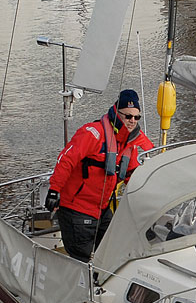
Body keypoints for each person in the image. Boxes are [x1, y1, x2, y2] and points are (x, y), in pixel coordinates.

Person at [46, 89, 154, 262]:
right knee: (83, 259)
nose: (132, 121)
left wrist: (149, 201)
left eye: (136, 117)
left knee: (115, 251)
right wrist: (54, 190)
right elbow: (66, 159)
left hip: (102, 209)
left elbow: (132, 175)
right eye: (128, 116)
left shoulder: (129, 144)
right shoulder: (92, 133)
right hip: (77, 209)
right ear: (117, 113)